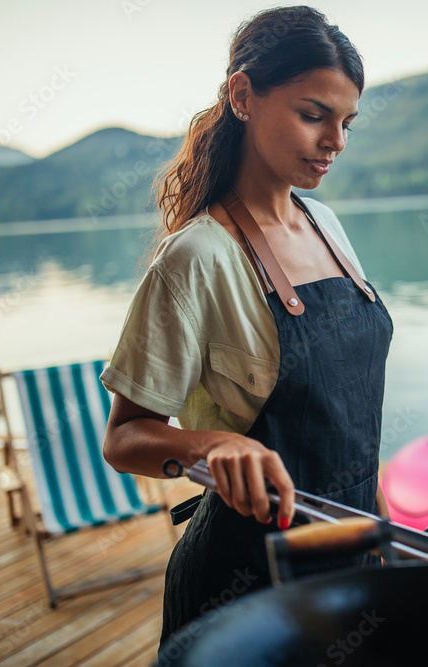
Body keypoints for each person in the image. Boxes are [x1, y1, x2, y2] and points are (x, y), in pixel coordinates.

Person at [99, 5, 392, 647]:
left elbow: (348, 424)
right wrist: (210, 447)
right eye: (313, 115)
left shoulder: (327, 226)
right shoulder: (196, 257)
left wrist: (381, 527)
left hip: (351, 557)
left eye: (345, 122)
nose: (335, 141)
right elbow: (123, 439)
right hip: (245, 585)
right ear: (242, 95)